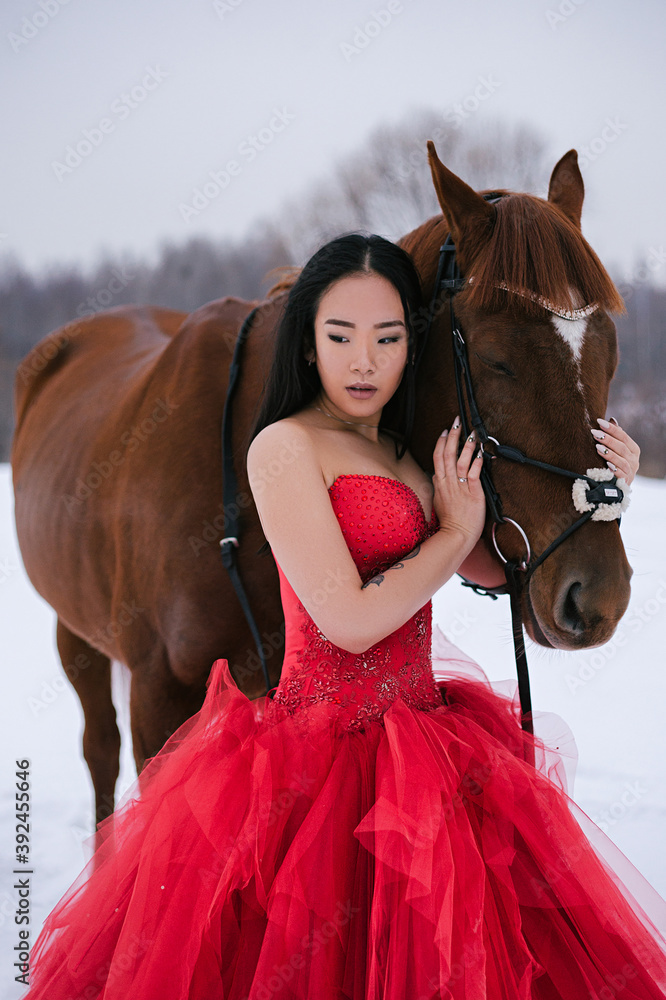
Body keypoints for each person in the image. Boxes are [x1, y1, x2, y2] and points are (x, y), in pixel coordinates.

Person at [24, 234, 663, 999]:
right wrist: (454, 529)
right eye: (341, 337)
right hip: (321, 752)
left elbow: (498, 572)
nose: (366, 361)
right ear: (308, 343)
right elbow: (349, 622)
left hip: (422, 740)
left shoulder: (404, 453)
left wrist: (604, 492)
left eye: (389, 339)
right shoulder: (286, 448)